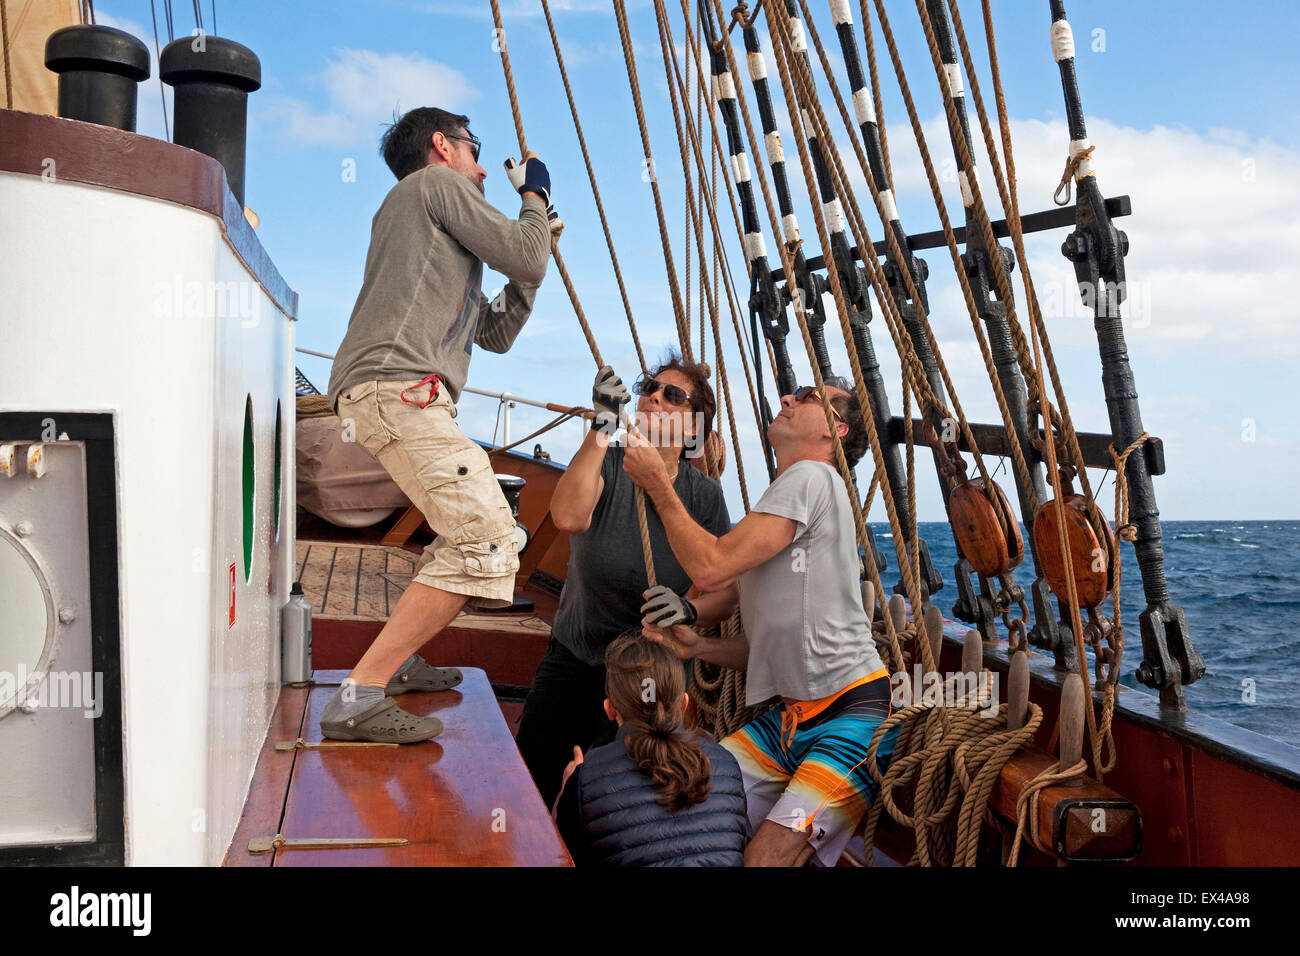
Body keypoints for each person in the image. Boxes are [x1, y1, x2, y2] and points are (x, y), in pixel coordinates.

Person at [321, 107, 557, 742]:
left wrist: (537, 245)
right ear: (440, 146)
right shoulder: (434, 186)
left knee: (463, 530)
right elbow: (527, 257)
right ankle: (359, 696)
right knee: (486, 537)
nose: (482, 167)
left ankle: (396, 663)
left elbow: (497, 331)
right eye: (473, 150)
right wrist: (534, 191)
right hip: (400, 391)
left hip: (396, 393)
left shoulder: (434, 233)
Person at [625, 379, 895, 866]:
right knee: (688, 797)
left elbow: (709, 567)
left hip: (852, 721)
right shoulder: (790, 498)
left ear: (837, 429)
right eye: (793, 392)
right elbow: (764, 648)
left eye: (810, 396)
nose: (788, 398)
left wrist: (658, 484)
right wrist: (696, 647)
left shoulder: (812, 477)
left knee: (764, 859)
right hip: (788, 723)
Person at [515, 352, 731, 807]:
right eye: (649, 387)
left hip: (650, 671)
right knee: (534, 772)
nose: (653, 396)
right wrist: (601, 428)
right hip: (578, 654)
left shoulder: (705, 498)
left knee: (629, 792)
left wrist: (691, 611)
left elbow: (724, 588)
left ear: (693, 430)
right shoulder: (608, 465)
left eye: (672, 395)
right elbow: (569, 516)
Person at [551, 632, 747, 866]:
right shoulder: (727, 763)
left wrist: (568, 790)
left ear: (610, 709)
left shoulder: (587, 778)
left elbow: (565, 856)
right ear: (684, 703)